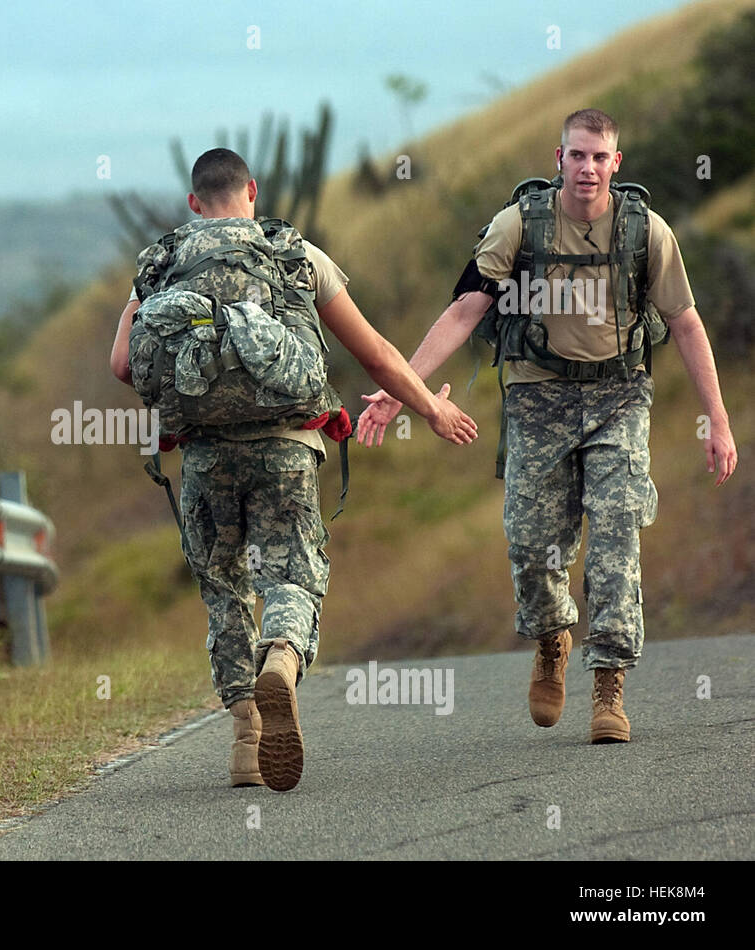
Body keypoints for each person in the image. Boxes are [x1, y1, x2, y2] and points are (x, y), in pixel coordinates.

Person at [355, 109, 738, 743]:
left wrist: (717, 420)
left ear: (617, 164)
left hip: (620, 396)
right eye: (577, 155)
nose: (588, 168)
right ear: (557, 158)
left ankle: (610, 683)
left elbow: (688, 325)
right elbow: (463, 311)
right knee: (532, 547)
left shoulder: (647, 232)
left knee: (616, 531)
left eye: (600, 158)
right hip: (538, 396)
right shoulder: (519, 226)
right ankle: (553, 636)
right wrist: (405, 391)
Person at [109, 148, 478, 790]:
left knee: (224, 589)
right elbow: (378, 356)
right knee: (292, 573)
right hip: (286, 447)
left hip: (203, 452)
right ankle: (280, 654)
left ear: (194, 203)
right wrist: (431, 411)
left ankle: (246, 741)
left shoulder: (160, 265)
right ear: (252, 190)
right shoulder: (295, 257)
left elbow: (123, 364)